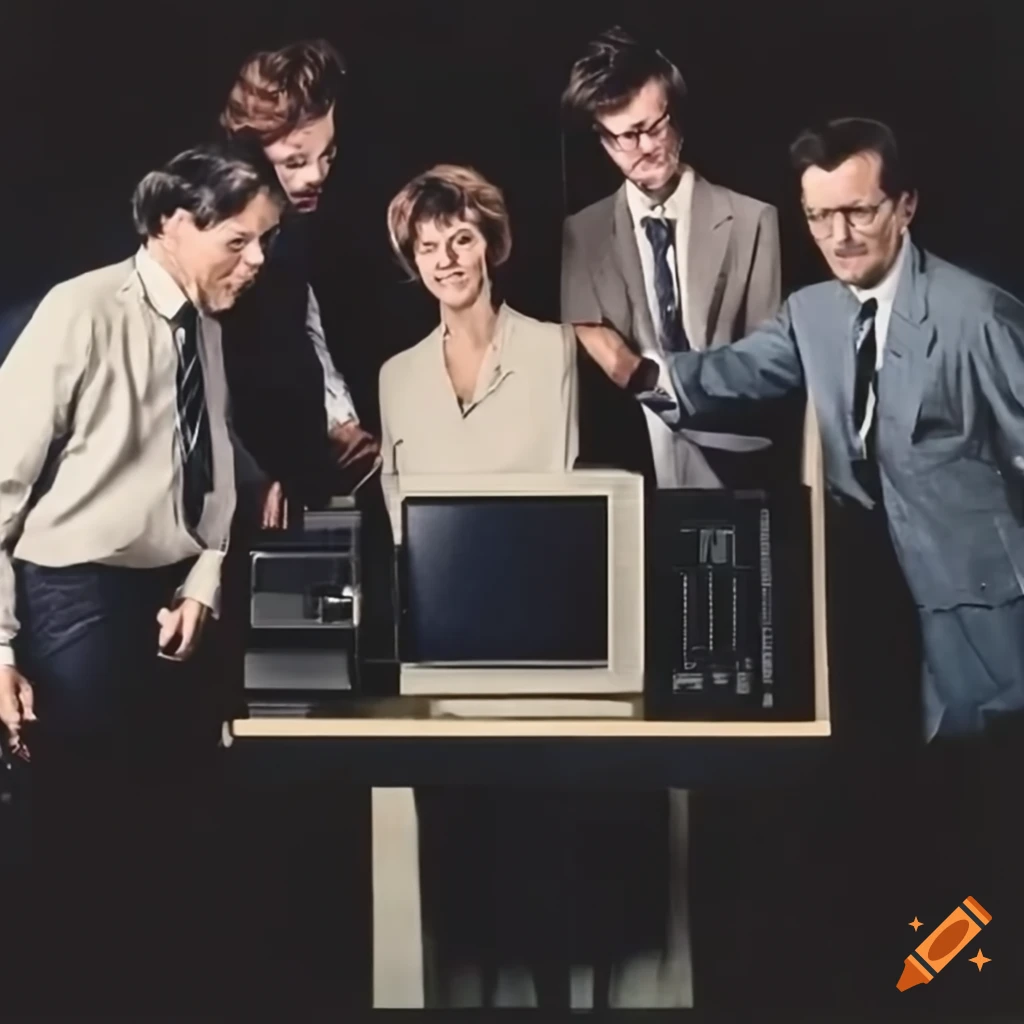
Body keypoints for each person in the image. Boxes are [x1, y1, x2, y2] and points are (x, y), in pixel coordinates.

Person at [587, 116, 1024, 1010]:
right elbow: (731, 375)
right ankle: (923, 986)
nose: (839, 236)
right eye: (819, 217)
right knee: (908, 834)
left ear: (904, 207)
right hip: (876, 613)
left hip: (990, 622)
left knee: (993, 838)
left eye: (858, 212)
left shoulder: (977, 316)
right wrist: (638, 372)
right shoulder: (814, 313)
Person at [0, 140, 285, 1013]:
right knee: (89, 843)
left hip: (170, 604)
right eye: (238, 240)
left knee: (180, 843)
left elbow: (214, 481)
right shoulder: (79, 311)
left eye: (264, 239)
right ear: (171, 226)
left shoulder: (204, 324)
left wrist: (203, 582)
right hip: (72, 599)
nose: (258, 261)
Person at [379, 163, 651, 1010]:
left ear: (490, 242)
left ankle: (557, 1000)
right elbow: (399, 515)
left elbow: (559, 483)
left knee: (549, 833)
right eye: (428, 246)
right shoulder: (396, 375)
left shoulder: (551, 349)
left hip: (546, 635)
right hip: (441, 643)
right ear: (412, 261)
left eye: (460, 237)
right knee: (462, 833)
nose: (446, 258)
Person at [560, 26, 792, 493]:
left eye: (655, 126)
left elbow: (767, 363)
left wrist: (659, 379)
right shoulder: (581, 233)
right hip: (627, 473)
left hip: (737, 468)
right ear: (603, 141)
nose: (646, 146)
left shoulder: (753, 221)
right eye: (627, 136)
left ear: (676, 114)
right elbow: (583, 340)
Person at [219, 38, 381, 524]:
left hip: (295, 479)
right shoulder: (214, 242)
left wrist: (343, 423)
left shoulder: (292, 236)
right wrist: (249, 477)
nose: (316, 175)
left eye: (326, 155)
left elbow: (303, 327)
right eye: (295, 161)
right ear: (252, 156)